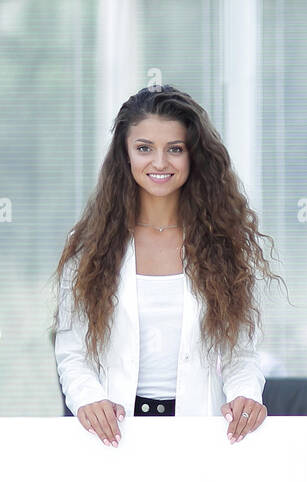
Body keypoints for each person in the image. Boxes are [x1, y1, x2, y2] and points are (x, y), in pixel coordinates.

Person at [54, 86, 275, 444]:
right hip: (114, 432)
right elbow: (71, 350)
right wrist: (89, 399)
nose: (159, 163)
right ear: (125, 155)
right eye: (144, 149)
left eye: (175, 149)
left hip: (201, 432)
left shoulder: (227, 246)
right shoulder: (89, 245)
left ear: (194, 156)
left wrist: (245, 395)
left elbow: (242, 354)